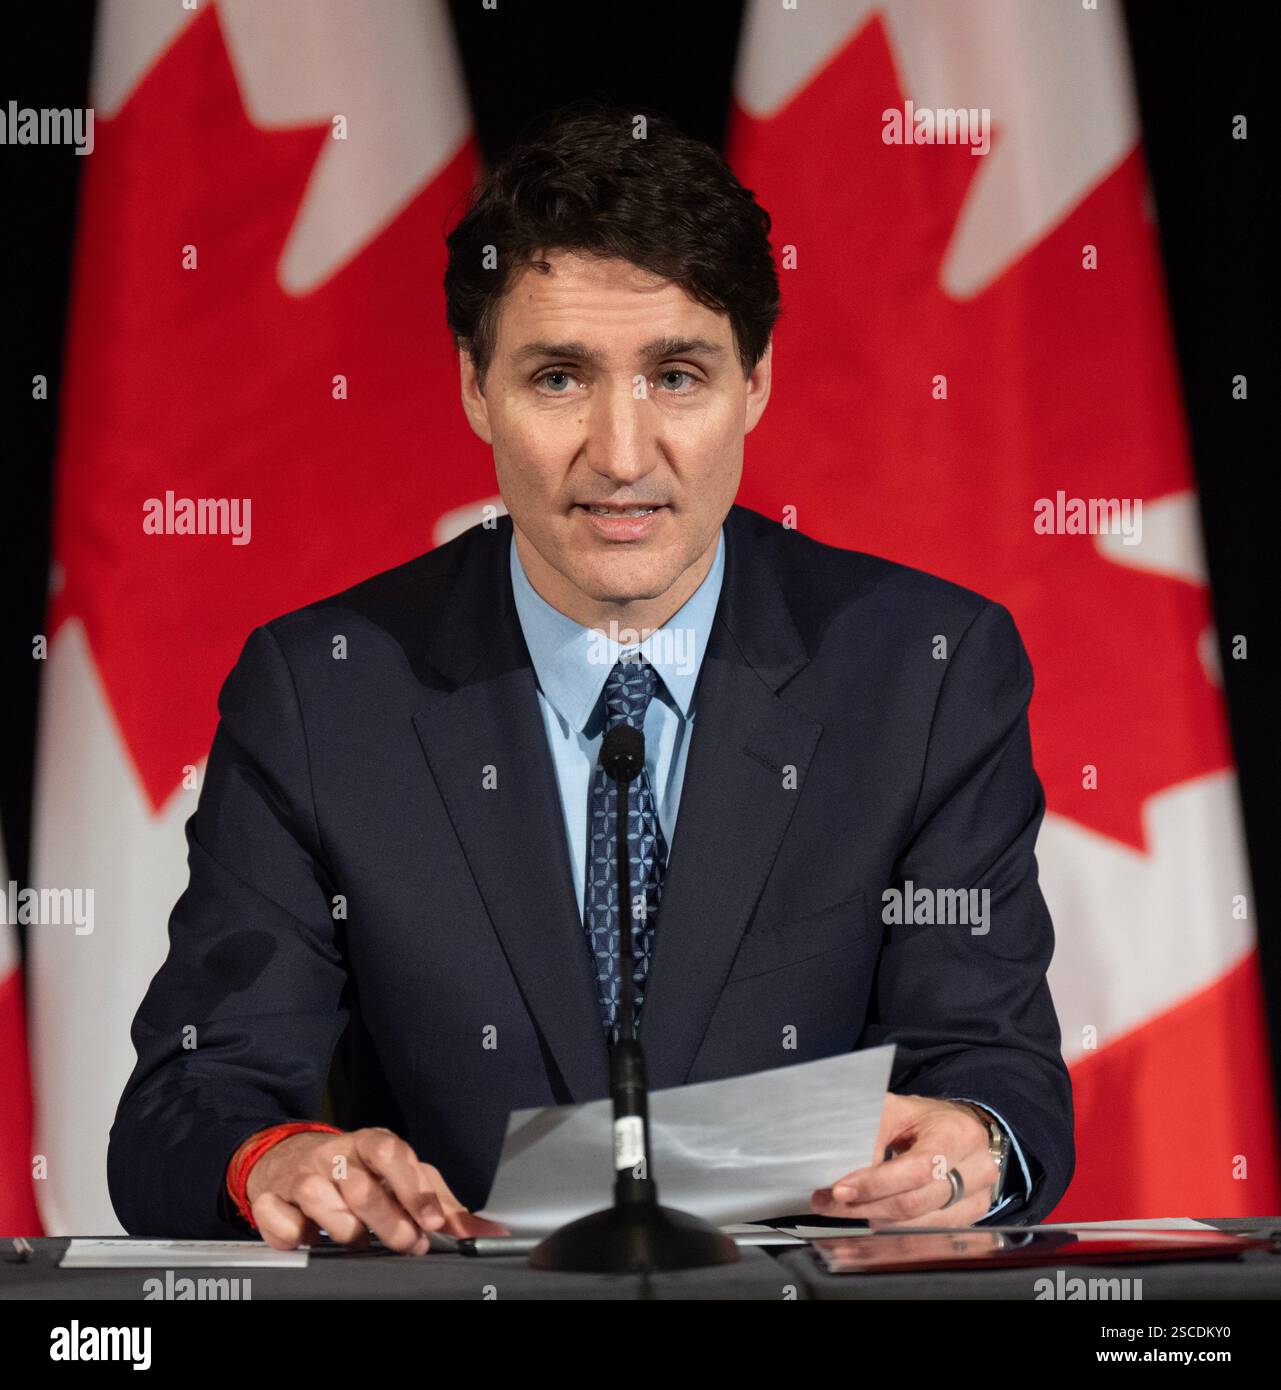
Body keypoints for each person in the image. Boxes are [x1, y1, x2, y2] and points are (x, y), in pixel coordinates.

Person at [109, 102, 1073, 1250]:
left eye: (677, 375)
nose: (622, 455)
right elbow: (186, 1100)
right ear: (475, 388)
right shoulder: (324, 693)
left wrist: (969, 1145)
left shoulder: (922, 673)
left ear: (756, 383)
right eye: (560, 377)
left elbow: (1000, 1076)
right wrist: (284, 1158)